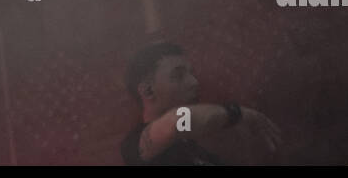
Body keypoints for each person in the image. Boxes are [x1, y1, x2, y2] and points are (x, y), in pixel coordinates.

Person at [120, 42, 284, 165]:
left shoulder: (195, 149)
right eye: (178, 76)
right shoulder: (134, 144)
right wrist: (238, 113)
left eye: (192, 74)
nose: (194, 82)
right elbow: (177, 122)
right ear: (148, 91)